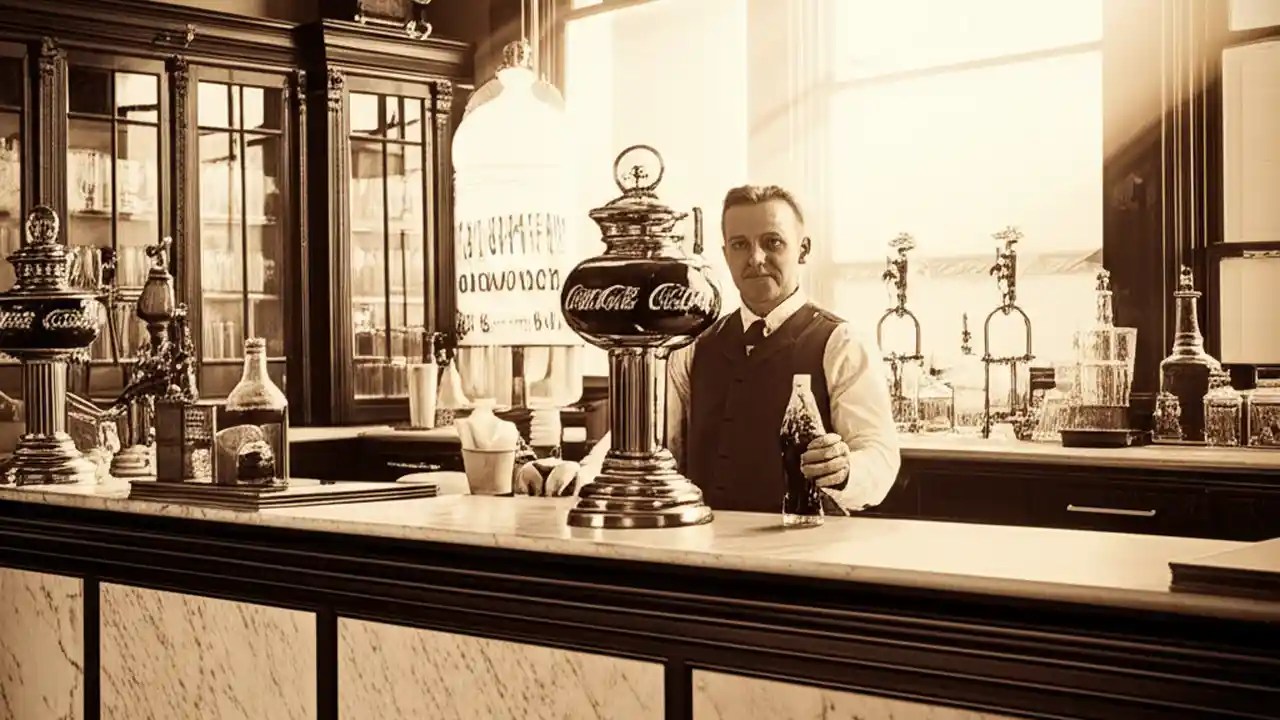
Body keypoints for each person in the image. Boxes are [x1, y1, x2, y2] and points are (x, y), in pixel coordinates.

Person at [578, 184, 900, 515]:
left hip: (805, 548)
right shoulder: (693, 344)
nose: (756, 258)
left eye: (772, 242)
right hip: (706, 543)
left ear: (803, 249)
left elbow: (879, 454)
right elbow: (649, 433)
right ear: (725, 253)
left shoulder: (841, 342)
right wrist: (583, 475)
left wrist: (845, 471)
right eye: (740, 245)